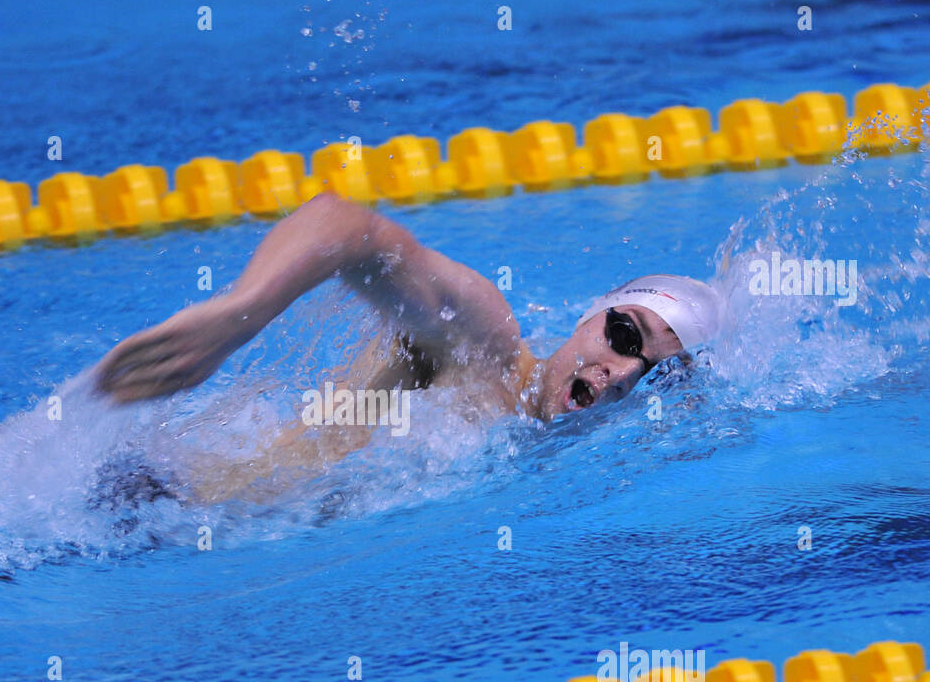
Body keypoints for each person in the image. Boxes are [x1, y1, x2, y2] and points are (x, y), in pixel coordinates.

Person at [93, 191, 725, 500]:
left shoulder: (569, 461)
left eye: (651, 375)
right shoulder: (482, 346)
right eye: (622, 336)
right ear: (591, 315)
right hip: (160, 503)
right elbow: (351, 228)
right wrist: (239, 315)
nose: (619, 374)